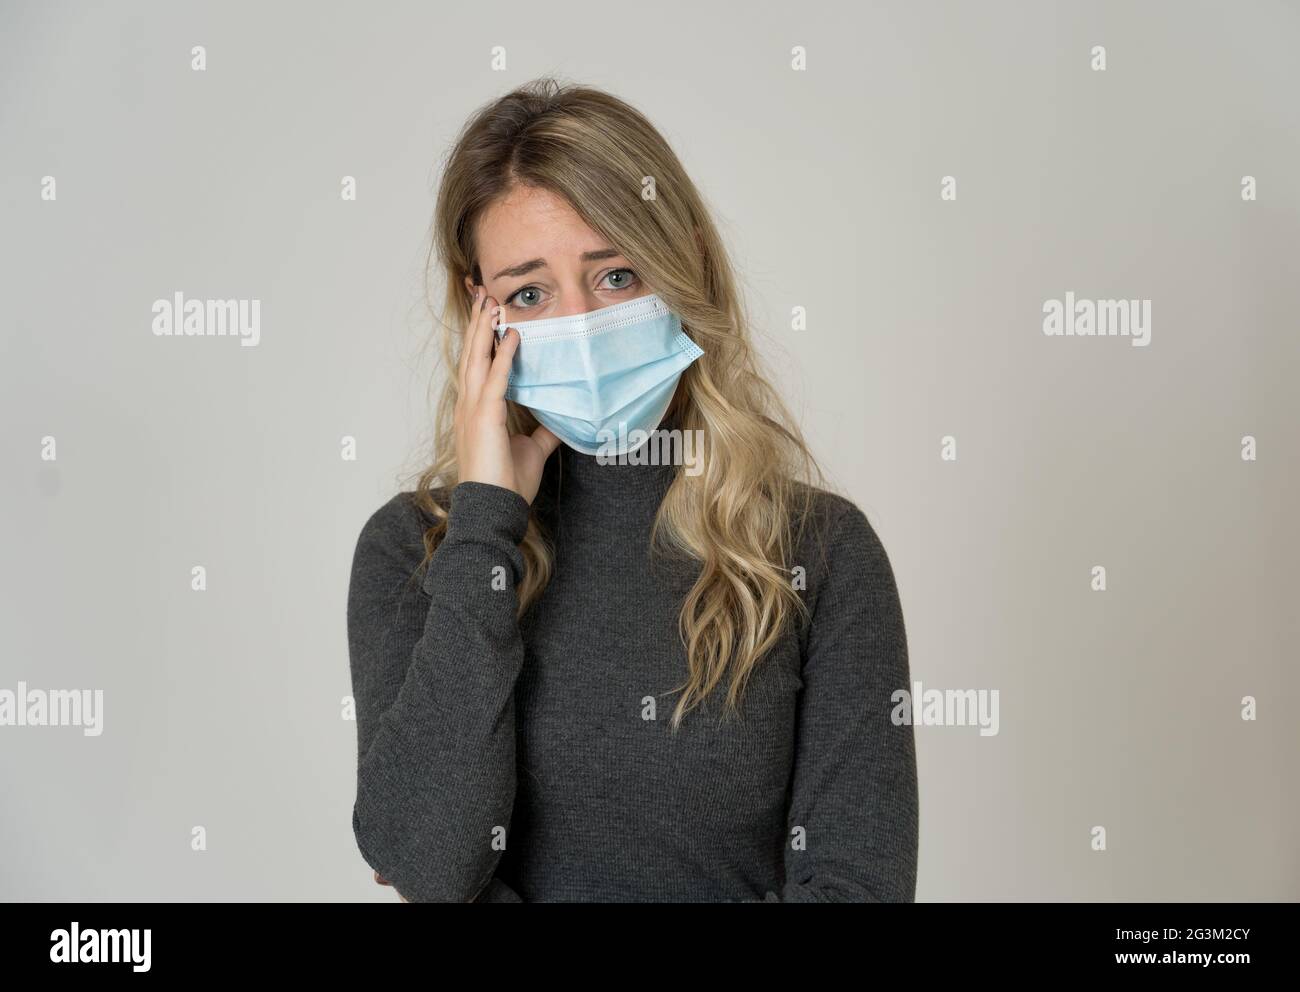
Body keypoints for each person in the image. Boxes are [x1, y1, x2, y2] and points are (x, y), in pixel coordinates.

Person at [346, 78, 918, 902]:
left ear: (680, 264)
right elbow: (429, 863)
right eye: (530, 293)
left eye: (615, 276)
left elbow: (858, 884)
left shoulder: (815, 552)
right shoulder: (419, 549)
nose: (579, 323)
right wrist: (485, 524)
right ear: (484, 315)